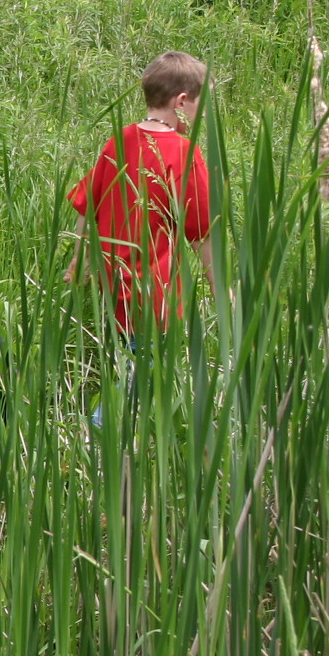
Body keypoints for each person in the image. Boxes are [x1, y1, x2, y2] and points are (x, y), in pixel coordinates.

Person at [65, 51, 215, 429]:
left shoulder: (119, 140)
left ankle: (117, 448)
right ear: (181, 101)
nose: (202, 116)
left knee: (131, 364)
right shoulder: (185, 153)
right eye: (202, 106)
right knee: (141, 375)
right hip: (158, 292)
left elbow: (87, 205)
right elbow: (201, 233)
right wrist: (222, 287)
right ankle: (93, 442)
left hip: (115, 283)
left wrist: (78, 259)